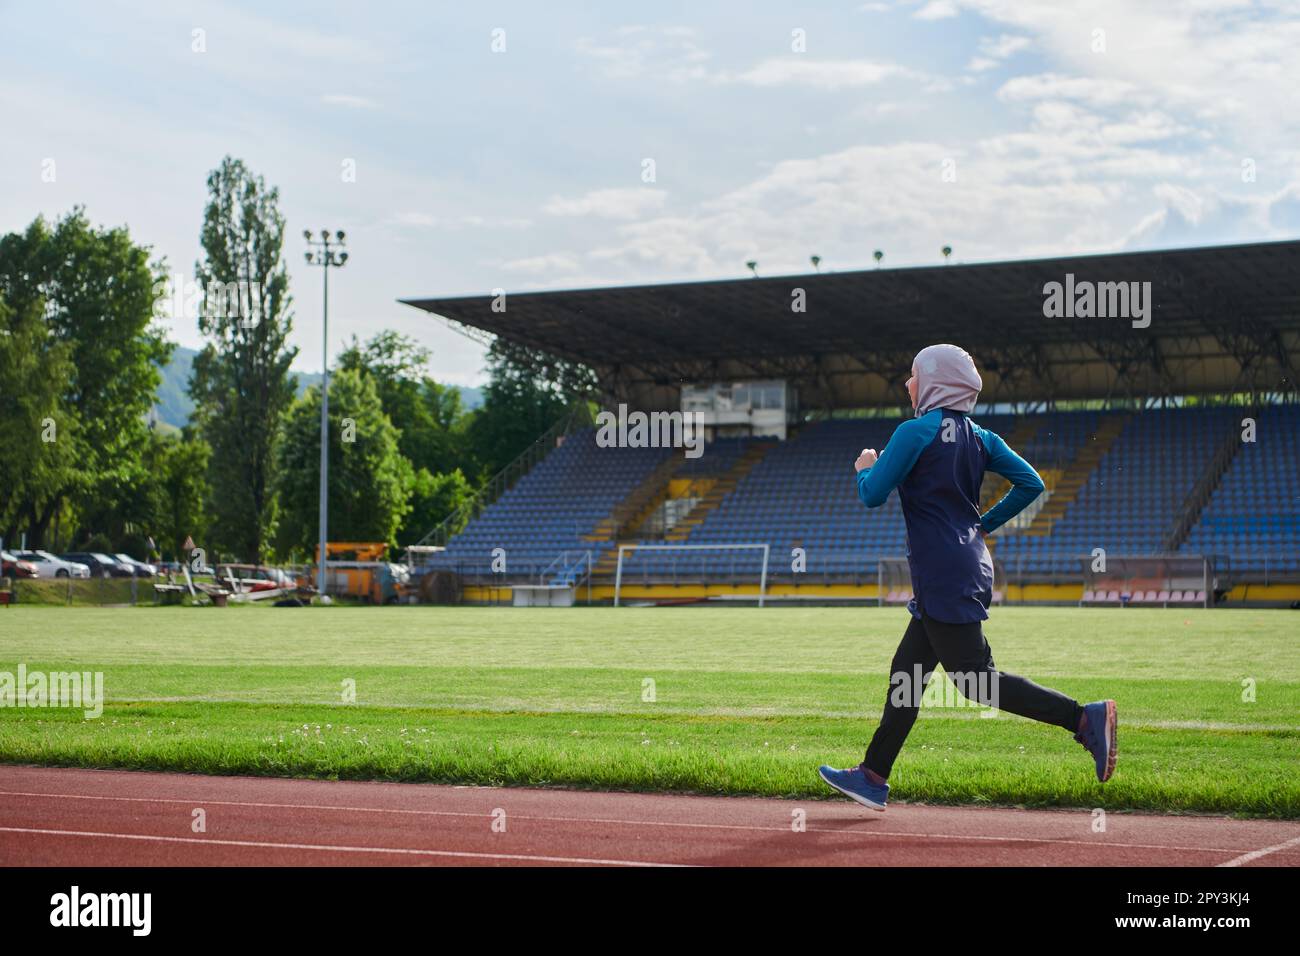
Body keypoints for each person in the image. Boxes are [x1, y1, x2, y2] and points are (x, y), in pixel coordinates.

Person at [818, 343, 1116, 811]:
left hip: (941, 574)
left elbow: (873, 494)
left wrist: (864, 469)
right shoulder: (982, 437)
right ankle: (872, 776)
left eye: (913, 374)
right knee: (907, 676)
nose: (907, 383)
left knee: (977, 682)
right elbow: (1032, 484)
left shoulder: (914, 432)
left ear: (934, 380)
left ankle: (1083, 719)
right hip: (966, 566)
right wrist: (980, 527)